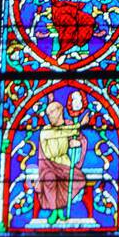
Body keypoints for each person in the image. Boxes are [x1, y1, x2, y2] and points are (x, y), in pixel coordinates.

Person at [37, 97, 87, 227]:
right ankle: (55, 211)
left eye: (52, 112)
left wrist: (77, 144)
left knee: (78, 179)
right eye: (48, 114)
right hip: (48, 165)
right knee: (50, 178)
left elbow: (80, 138)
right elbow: (60, 133)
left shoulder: (68, 127)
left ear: (60, 112)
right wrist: (80, 125)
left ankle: (60, 207)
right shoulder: (46, 131)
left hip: (65, 164)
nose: (49, 116)